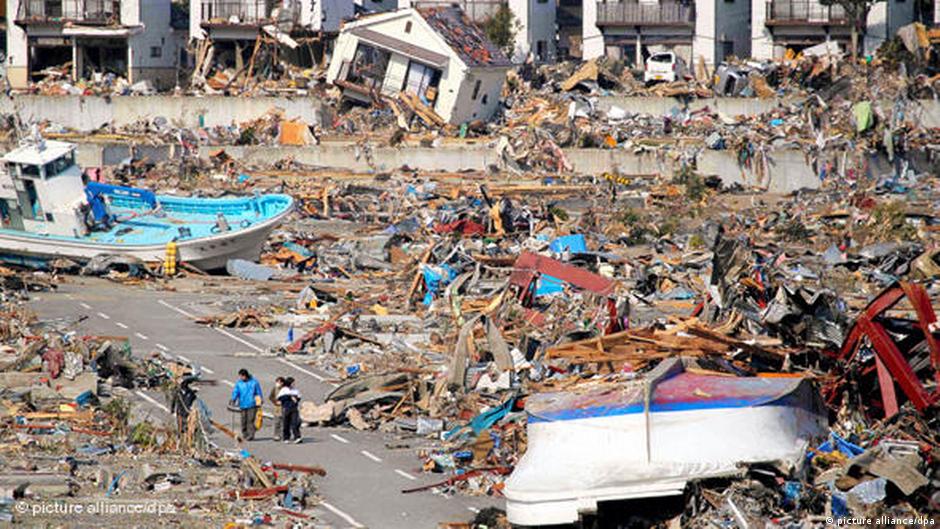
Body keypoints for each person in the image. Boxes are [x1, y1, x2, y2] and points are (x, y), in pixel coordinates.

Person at [230, 368, 263, 441]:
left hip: (252, 404)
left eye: (242, 376)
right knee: (243, 420)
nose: (241, 378)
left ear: (246, 375)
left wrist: (260, 400)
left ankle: (251, 435)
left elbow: (258, 392)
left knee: (250, 420)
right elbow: (236, 391)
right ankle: (245, 433)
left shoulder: (254, 382)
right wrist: (233, 399)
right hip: (242, 403)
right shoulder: (239, 383)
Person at [277, 377, 302, 444]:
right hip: (286, 408)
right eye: (293, 383)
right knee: (286, 424)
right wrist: (289, 397)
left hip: (294, 408)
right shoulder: (284, 390)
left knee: (295, 423)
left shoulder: (296, 390)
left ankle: (297, 437)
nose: (294, 384)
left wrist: (296, 398)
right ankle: (286, 437)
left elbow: (299, 397)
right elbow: (280, 398)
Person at [269, 377, 285, 441]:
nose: (277, 384)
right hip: (277, 409)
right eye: (277, 382)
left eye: (279, 382)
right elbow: (271, 397)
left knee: (283, 423)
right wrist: (275, 402)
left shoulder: (285, 389)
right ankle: (276, 435)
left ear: (282, 383)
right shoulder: (274, 389)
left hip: (284, 408)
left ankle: (283, 435)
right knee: (277, 422)